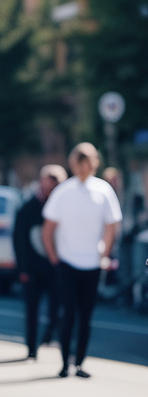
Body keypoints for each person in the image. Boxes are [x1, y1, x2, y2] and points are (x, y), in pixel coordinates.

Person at [42, 143, 122, 378]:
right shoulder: (63, 191)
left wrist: (104, 255)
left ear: (94, 163)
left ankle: (79, 363)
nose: (84, 167)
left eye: (88, 162)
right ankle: (65, 363)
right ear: (73, 164)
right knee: (68, 314)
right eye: (79, 162)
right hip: (66, 262)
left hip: (93, 263)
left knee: (86, 316)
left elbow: (111, 226)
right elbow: (48, 230)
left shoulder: (103, 190)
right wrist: (55, 259)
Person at [13, 164, 67, 359]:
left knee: (56, 309)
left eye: (52, 188)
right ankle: (31, 348)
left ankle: (48, 335)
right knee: (32, 310)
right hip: (32, 268)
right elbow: (19, 239)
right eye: (45, 187)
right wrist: (23, 269)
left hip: (55, 267)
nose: (47, 192)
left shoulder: (62, 209)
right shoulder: (28, 207)